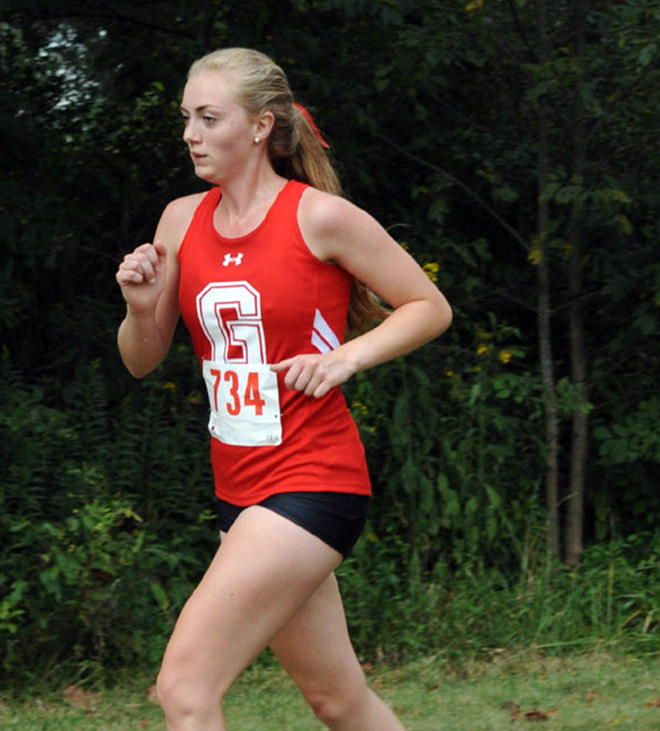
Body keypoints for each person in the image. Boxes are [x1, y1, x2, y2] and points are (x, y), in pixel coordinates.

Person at [115, 47, 451, 730]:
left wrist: (346, 359)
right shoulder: (179, 220)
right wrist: (139, 305)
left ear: (263, 126)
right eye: (187, 118)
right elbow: (141, 361)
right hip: (239, 487)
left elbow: (428, 305)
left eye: (210, 118)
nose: (191, 133)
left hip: (313, 477)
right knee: (338, 700)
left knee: (184, 686)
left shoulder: (319, 217)